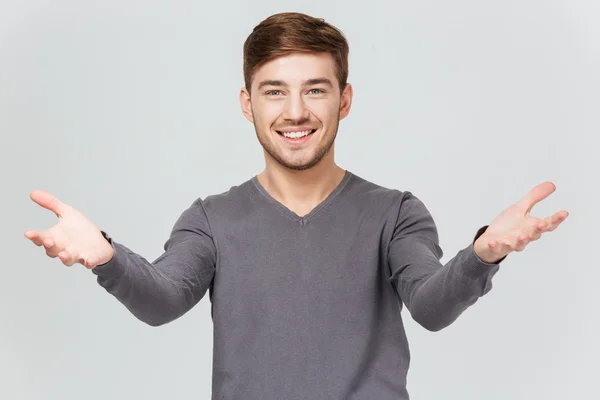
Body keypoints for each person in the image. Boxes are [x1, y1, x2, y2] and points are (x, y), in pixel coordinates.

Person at [24, 11, 569, 400]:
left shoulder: (396, 213)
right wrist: (105, 256)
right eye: (274, 90)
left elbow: (430, 306)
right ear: (248, 104)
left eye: (315, 89)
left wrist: (483, 253)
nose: (295, 111)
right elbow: (163, 300)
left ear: (344, 99)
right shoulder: (211, 220)